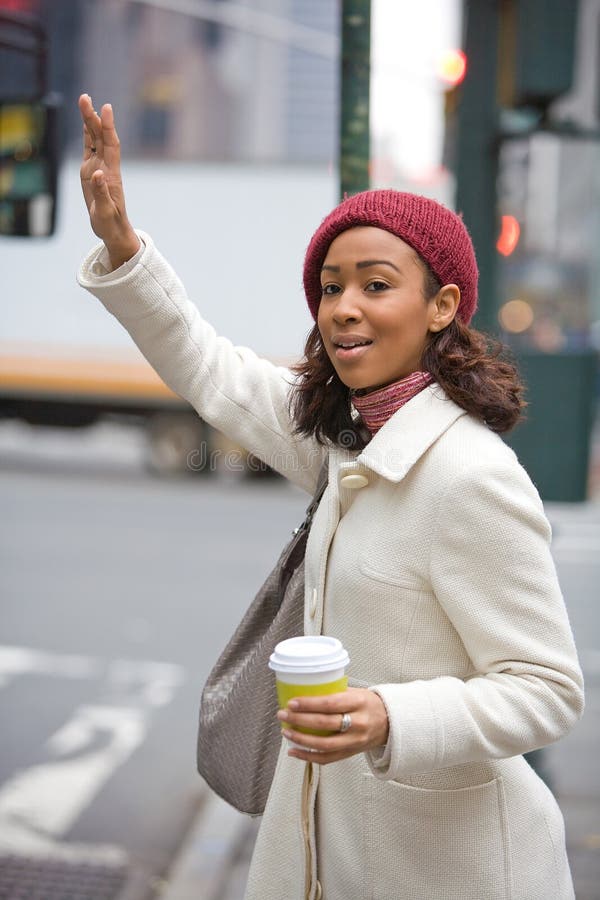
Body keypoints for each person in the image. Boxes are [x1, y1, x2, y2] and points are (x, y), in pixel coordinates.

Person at [76, 94, 584, 900]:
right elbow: (212, 369)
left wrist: (389, 715)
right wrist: (126, 248)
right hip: (326, 855)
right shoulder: (346, 438)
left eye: (376, 284)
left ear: (441, 306)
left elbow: (546, 689)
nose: (344, 307)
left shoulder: (469, 477)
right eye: (331, 286)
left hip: (456, 873)